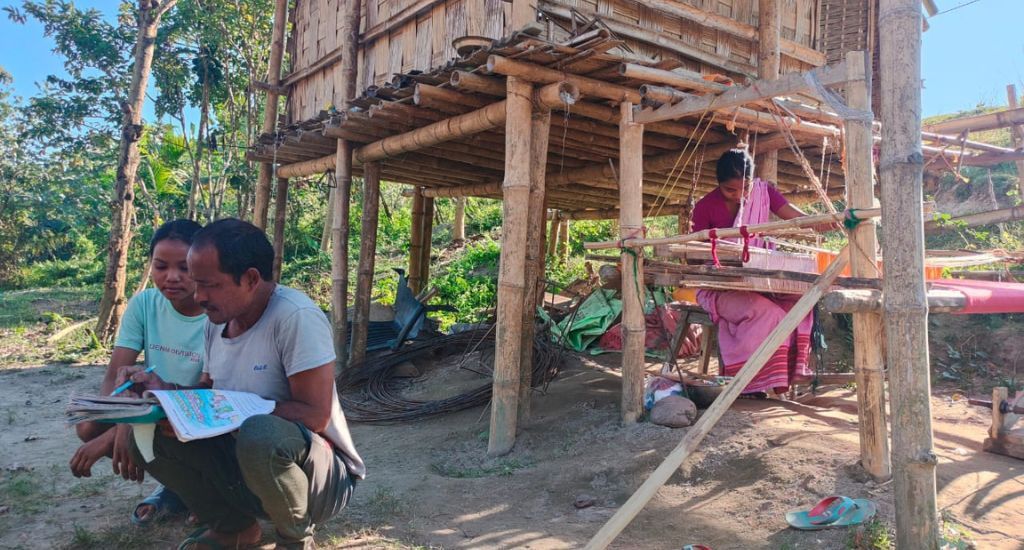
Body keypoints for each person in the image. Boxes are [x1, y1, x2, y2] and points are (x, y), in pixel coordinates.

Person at [118, 218, 365, 550]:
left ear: (250, 278)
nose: (199, 295)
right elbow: (211, 395)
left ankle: (295, 539)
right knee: (149, 435)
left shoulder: (295, 317)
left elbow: (316, 416)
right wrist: (165, 392)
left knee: (259, 432)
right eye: (197, 283)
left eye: (210, 285)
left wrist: (238, 411)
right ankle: (233, 527)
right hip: (248, 469)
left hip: (319, 482)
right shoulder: (217, 320)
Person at [69, 219, 205, 525]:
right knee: (89, 428)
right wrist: (121, 422)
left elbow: (211, 392)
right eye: (161, 266)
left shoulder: (217, 310)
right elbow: (113, 375)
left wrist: (125, 429)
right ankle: (177, 486)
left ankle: (207, 493)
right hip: (153, 409)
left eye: (185, 268)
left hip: (196, 411)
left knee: (109, 436)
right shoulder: (145, 304)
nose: (172, 277)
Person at [690, 149, 824, 396]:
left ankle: (784, 375)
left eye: (746, 189)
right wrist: (728, 260)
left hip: (758, 283)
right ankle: (747, 381)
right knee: (768, 314)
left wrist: (833, 220)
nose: (741, 196)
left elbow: (797, 219)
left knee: (798, 306)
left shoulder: (764, 193)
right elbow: (691, 255)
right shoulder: (705, 208)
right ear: (718, 184)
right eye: (731, 190)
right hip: (717, 288)